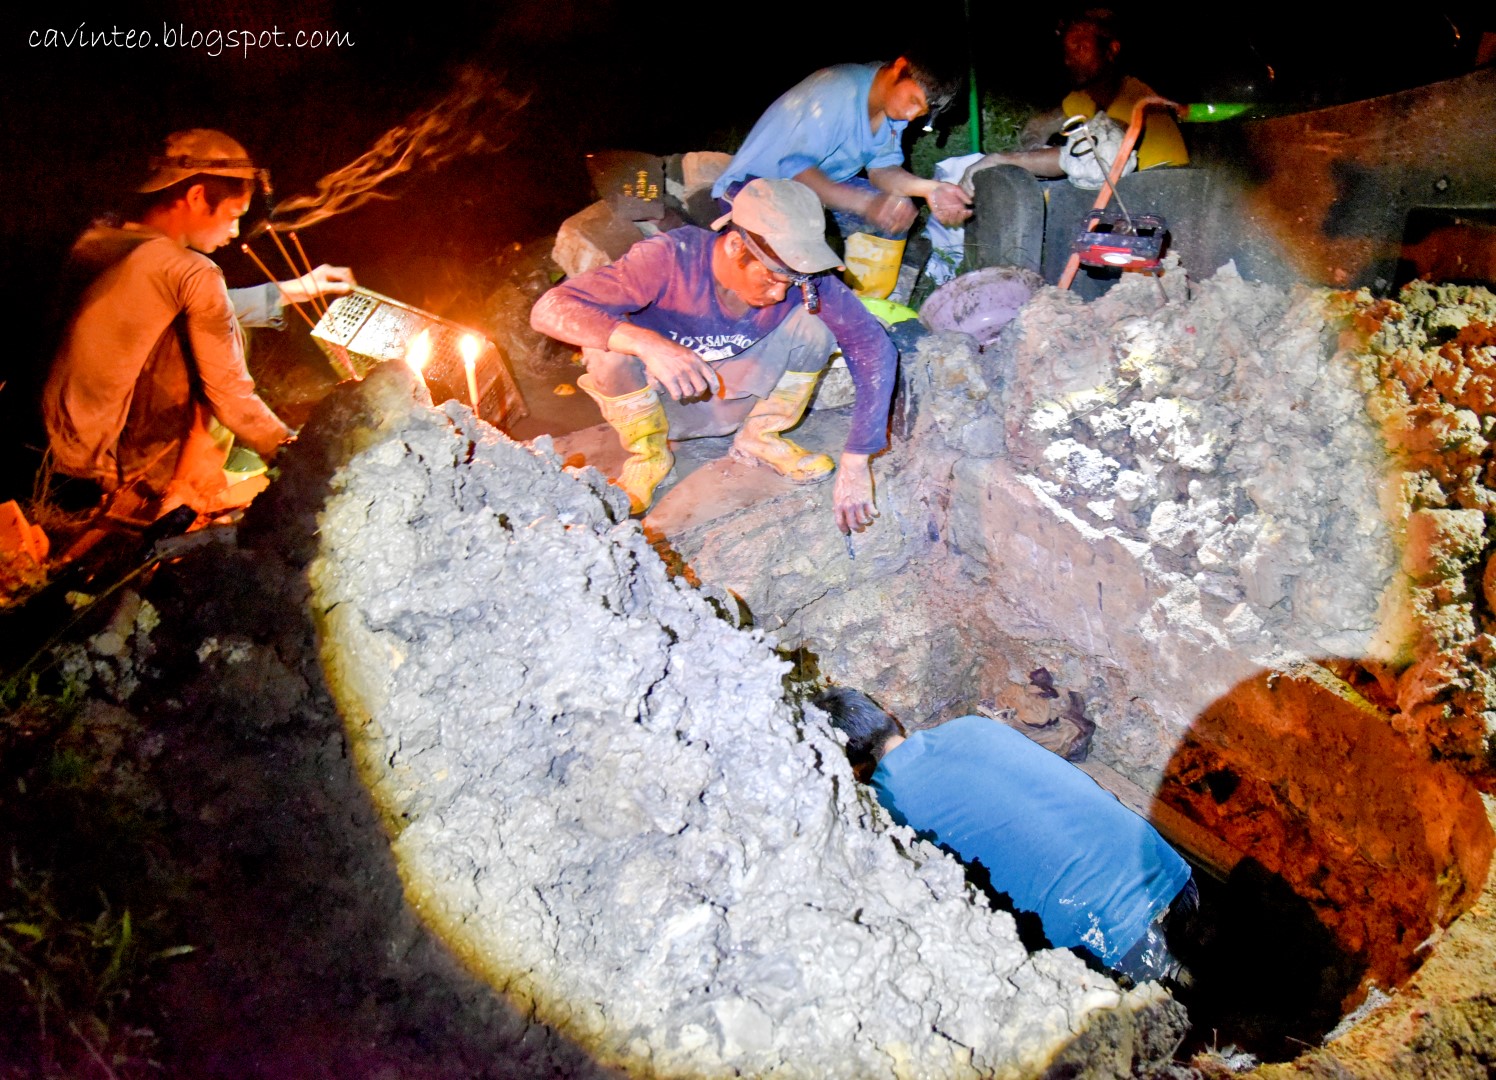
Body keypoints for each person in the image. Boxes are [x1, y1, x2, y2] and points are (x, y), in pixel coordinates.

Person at [531, 178, 895, 534]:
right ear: (736, 245)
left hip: (735, 398)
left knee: (814, 324)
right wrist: (647, 343)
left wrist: (857, 457)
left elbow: (872, 345)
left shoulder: (799, 278)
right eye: (772, 277)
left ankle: (759, 437)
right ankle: (650, 457)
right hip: (665, 402)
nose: (781, 291)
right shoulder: (669, 258)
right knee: (602, 349)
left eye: (793, 279)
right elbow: (550, 308)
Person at [43, 129, 355, 523]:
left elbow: (200, 307)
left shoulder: (99, 241)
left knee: (210, 326)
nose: (236, 232)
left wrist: (298, 288)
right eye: (234, 216)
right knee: (227, 341)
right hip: (106, 468)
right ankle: (185, 487)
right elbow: (232, 399)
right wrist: (295, 452)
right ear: (195, 197)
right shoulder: (192, 271)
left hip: (52, 452)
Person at [816, 687, 1195, 984]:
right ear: (889, 716)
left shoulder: (888, 808)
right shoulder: (970, 726)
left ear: (851, 769)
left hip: (1118, 937)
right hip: (1172, 874)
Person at [712, 56, 973, 299]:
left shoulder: (892, 111)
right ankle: (819, 302)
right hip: (754, 191)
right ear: (900, 67)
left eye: (921, 111)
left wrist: (930, 189)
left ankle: (868, 303)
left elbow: (883, 169)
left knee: (894, 214)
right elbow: (798, 170)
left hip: (809, 195)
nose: (911, 115)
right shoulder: (838, 90)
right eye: (913, 101)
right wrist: (865, 204)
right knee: (802, 261)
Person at [960, 8, 1188, 192]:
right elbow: (1037, 125)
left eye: (1080, 47)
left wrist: (1001, 159)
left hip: (1165, 195)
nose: (1069, 60)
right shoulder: (1086, 96)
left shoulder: (1134, 98)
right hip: (1132, 195)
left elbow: (1090, 154)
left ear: (1111, 50)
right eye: (1067, 50)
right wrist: (1034, 149)